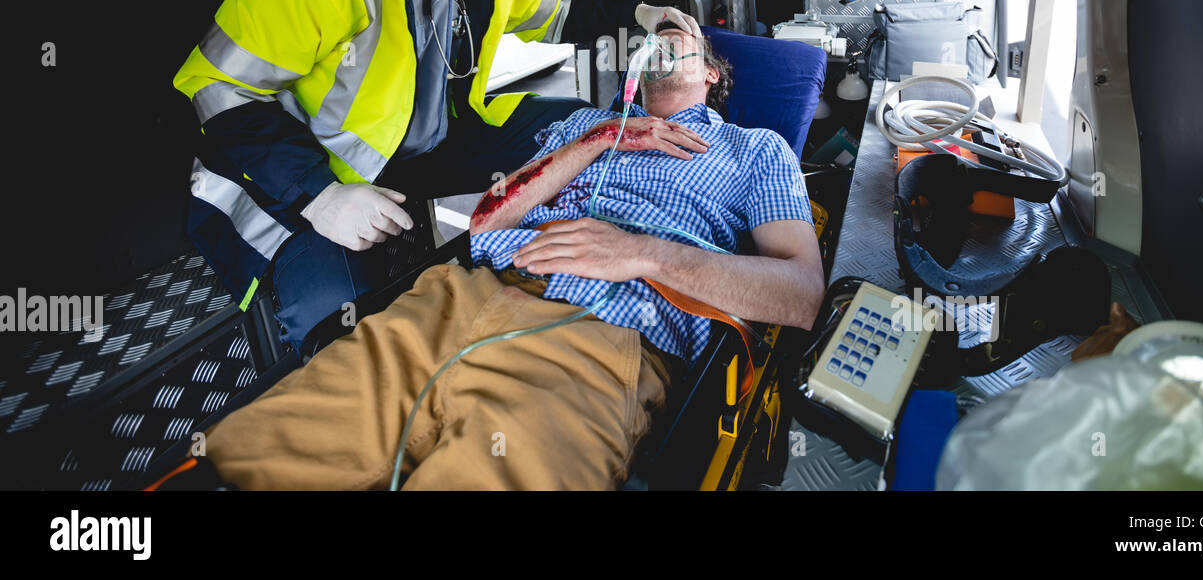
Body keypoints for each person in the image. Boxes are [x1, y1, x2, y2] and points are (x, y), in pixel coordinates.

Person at [173, 0, 698, 354]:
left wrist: (640, 14)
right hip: (296, 181)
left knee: (586, 128)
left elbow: (564, 15)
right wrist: (323, 197)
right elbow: (217, 87)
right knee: (339, 326)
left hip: (420, 148)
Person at [197, 25, 825, 490]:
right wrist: (598, 138)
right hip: (454, 298)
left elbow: (799, 293)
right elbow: (487, 222)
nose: (657, 42)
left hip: (597, 344)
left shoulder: (755, 150)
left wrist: (643, 253)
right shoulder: (578, 129)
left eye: (677, 36)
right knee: (250, 460)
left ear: (711, 74)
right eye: (648, 37)